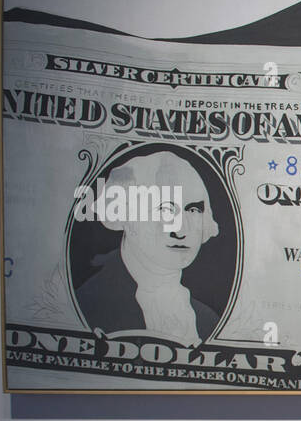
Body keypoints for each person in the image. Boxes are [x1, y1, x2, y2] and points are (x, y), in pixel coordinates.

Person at [74, 148, 222, 345]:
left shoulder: (208, 320)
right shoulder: (87, 305)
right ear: (127, 215)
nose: (181, 229)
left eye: (193, 210)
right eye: (165, 209)